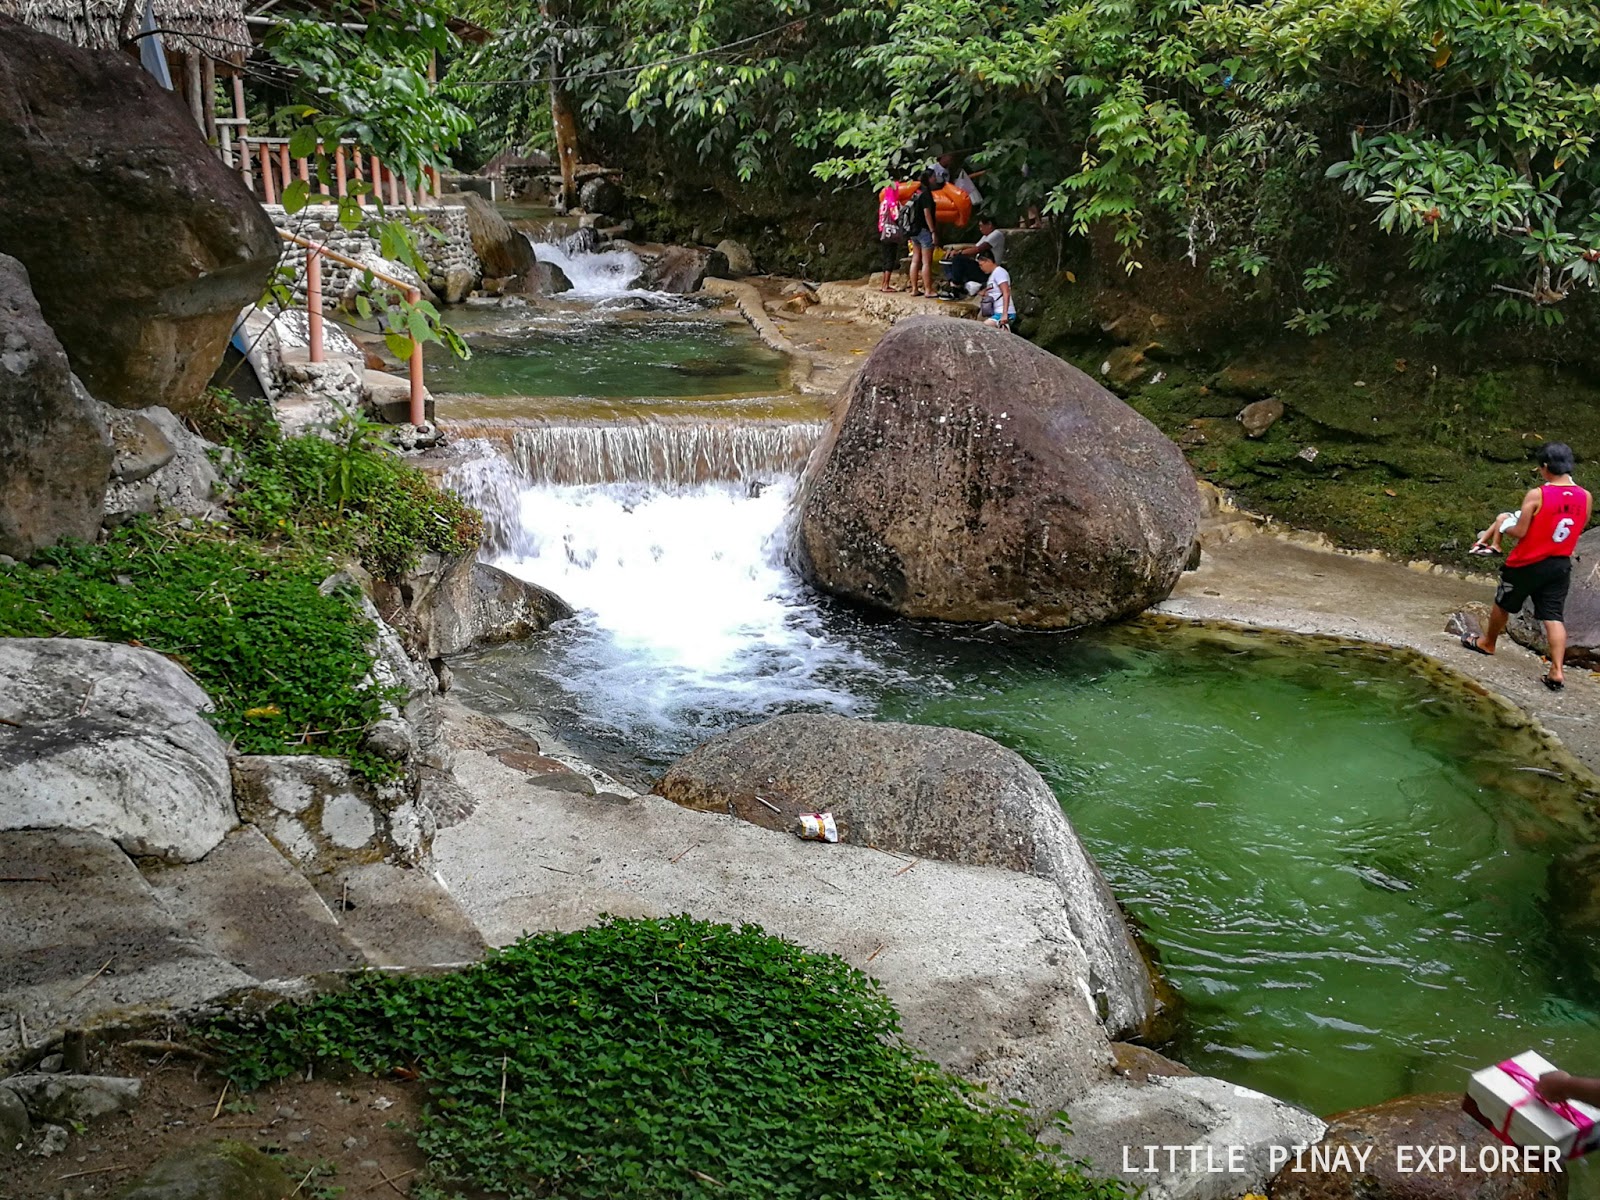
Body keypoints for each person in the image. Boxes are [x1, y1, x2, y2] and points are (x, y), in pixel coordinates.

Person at [1461, 442, 1592, 690]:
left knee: (1503, 603)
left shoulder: (1538, 494)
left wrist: (1503, 525)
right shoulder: (1585, 496)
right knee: (1553, 616)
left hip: (1526, 563)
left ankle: (1488, 643)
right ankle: (1557, 670)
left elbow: (1520, 531)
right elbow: (1579, 526)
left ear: (1545, 467)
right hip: (1559, 565)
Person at [941, 215, 1006, 297]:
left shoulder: (996, 234)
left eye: (981, 226)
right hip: (980, 266)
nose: (980, 229)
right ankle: (953, 285)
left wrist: (960, 253)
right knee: (947, 261)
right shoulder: (986, 236)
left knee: (958, 259)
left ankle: (956, 286)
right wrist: (955, 250)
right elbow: (974, 247)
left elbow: (979, 249)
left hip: (987, 270)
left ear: (989, 224)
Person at [906, 171, 939, 298]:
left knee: (915, 260)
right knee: (926, 262)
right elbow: (927, 213)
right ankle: (928, 290)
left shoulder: (916, 191)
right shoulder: (926, 194)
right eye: (934, 177)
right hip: (924, 230)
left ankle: (914, 289)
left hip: (914, 230)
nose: (935, 179)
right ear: (929, 178)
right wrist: (933, 231)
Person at [975, 247, 1015, 329]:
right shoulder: (992, 275)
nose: (981, 268)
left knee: (983, 328)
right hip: (997, 312)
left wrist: (1005, 314)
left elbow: (1006, 292)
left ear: (988, 261)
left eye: (981, 265)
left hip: (1003, 313)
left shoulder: (999, 272)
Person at [876, 181, 904, 292]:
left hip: (883, 232)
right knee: (890, 259)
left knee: (885, 258)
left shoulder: (883, 202)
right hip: (890, 234)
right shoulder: (892, 203)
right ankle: (886, 285)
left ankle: (883, 283)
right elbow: (896, 216)